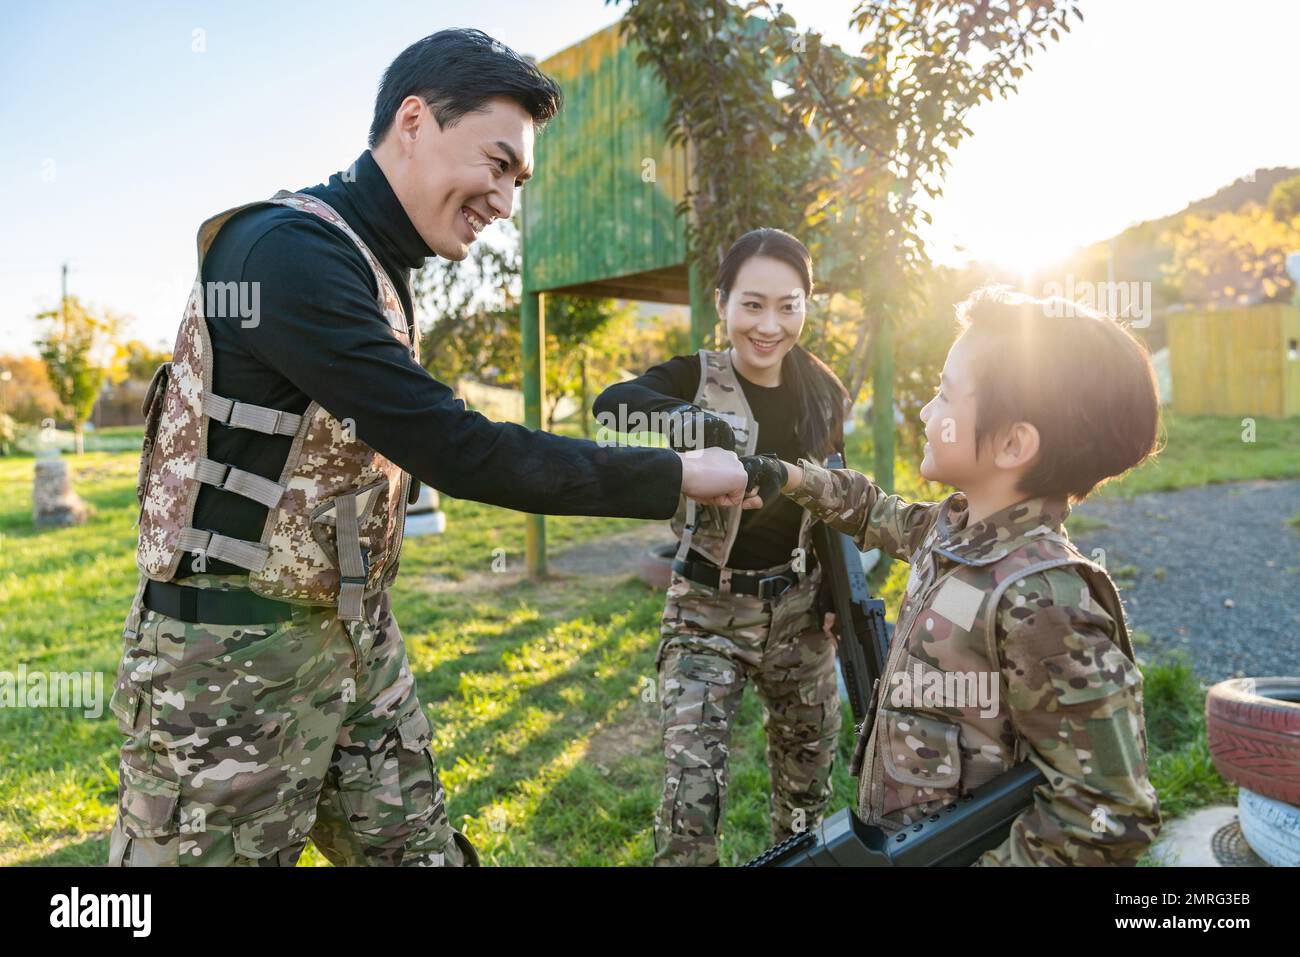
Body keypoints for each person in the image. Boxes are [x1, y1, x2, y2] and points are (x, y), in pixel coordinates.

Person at [108, 28, 747, 868]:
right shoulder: (284, 254)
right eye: (497, 163)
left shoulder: (377, 261)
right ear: (414, 120)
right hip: (228, 669)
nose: (506, 202)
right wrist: (673, 474)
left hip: (354, 638)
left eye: (519, 180)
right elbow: (455, 445)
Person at [740, 286, 1163, 865]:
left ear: (1014, 443)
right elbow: (873, 513)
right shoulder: (955, 531)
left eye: (943, 395)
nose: (925, 412)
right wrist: (785, 476)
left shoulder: (1044, 599)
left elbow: (1109, 815)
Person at [593, 228, 851, 866]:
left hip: (798, 612)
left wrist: (836, 597)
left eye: (788, 306)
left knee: (805, 796)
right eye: (752, 304)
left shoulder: (824, 390)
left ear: (806, 307)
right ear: (723, 304)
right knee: (691, 798)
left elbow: (832, 499)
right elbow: (613, 405)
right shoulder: (695, 376)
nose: (769, 325)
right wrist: (701, 425)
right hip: (707, 611)